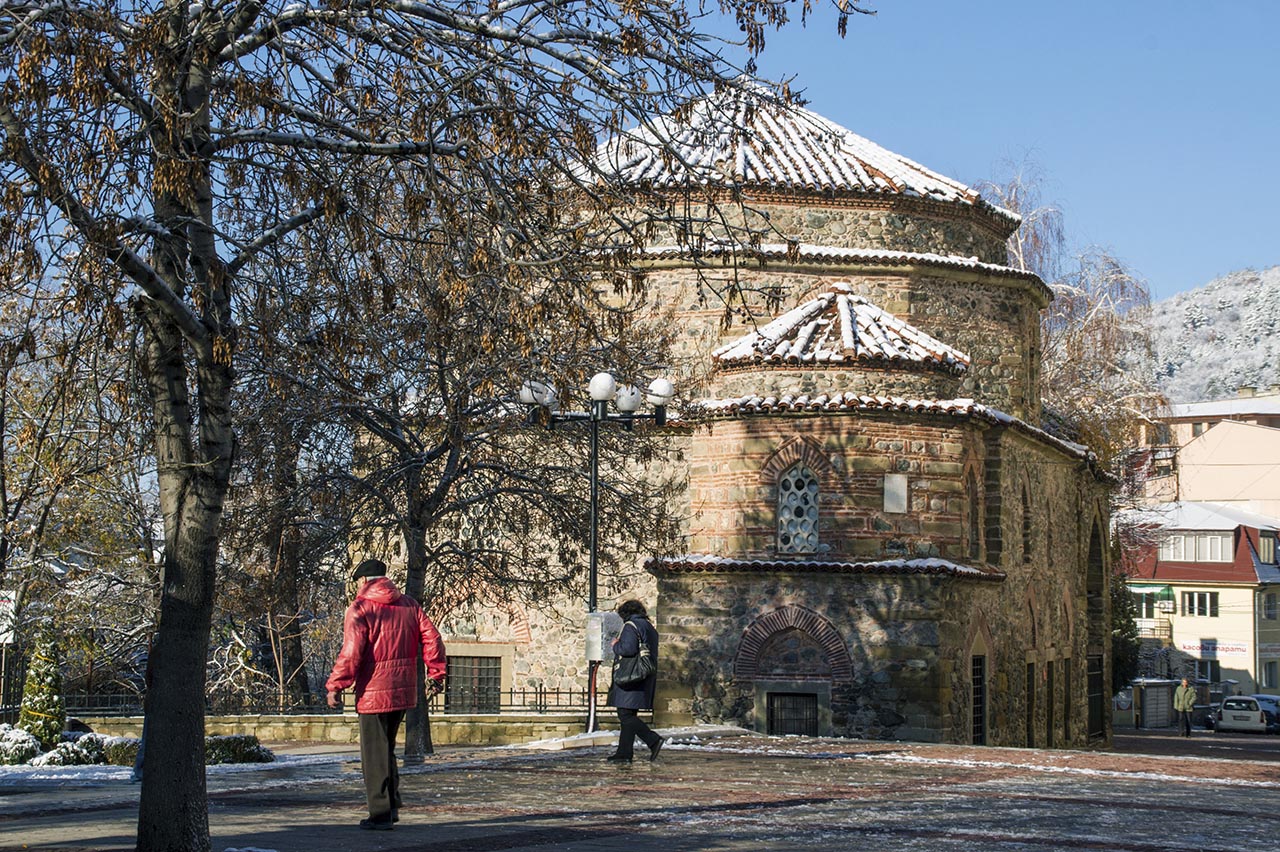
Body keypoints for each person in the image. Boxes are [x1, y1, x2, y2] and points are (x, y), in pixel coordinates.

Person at [326, 559, 446, 830]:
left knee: (373, 754)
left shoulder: (360, 608)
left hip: (373, 692)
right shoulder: (409, 605)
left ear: (363, 580)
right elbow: (433, 638)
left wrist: (336, 685)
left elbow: (351, 652)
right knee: (387, 749)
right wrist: (435, 673)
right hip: (402, 689)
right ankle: (391, 806)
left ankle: (379, 814)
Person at [605, 599, 665, 763]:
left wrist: (616, 645)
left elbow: (628, 649)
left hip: (630, 675)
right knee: (629, 714)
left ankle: (653, 740)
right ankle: (624, 752)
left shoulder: (631, 626)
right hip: (643, 675)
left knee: (624, 714)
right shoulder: (648, 626)